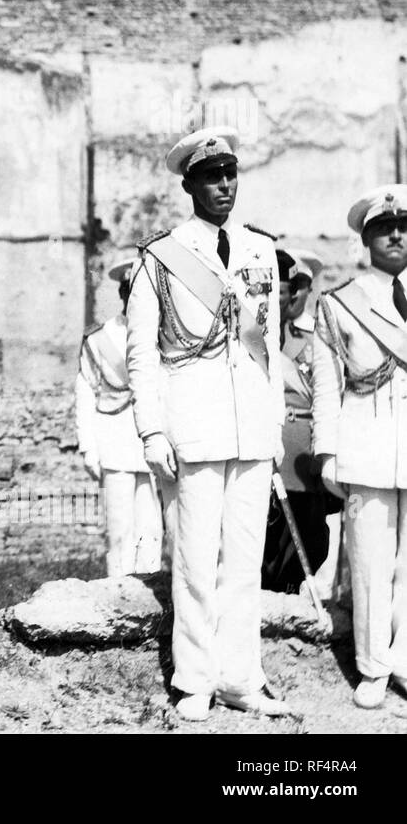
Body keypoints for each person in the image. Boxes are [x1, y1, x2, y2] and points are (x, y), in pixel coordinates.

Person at [126, 126, 289, 721]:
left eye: (231, 174)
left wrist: (272, 431)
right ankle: (195, 679)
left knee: (244, 563)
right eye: (212, 176)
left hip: (249, 427)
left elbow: (266, 346)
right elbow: (143, 351)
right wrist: (151, 430)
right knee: (195, 560)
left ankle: (241, 677)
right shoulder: (161, 256)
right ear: (189, 184)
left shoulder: (259, 249)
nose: (224, 185)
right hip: (191, 422)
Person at [311, 185, 407, 708]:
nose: (396, 234)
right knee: (368, 562)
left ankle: (405, 658)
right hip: (367, 446)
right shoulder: (341, 303)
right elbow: (327, 386)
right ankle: (373, 667)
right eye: (383, 228)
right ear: (365, 239)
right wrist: (327, 451)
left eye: (404, 226)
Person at [76, 258, 169, 576]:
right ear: (123, 293)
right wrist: (88, 447)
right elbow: (85, 394)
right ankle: (118, 591)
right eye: (131, 292)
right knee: (118, 528)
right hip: (114, 442)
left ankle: (149, 595)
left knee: (151, 526)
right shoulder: (100, 338)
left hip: (151, 444)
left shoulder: (164, 335)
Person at [261, 249, 332, 594]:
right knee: (268, 542)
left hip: (302, 454)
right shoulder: (256, 337)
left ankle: (286, 594)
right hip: (270, 449)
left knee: (314, 540)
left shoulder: (307, 338)